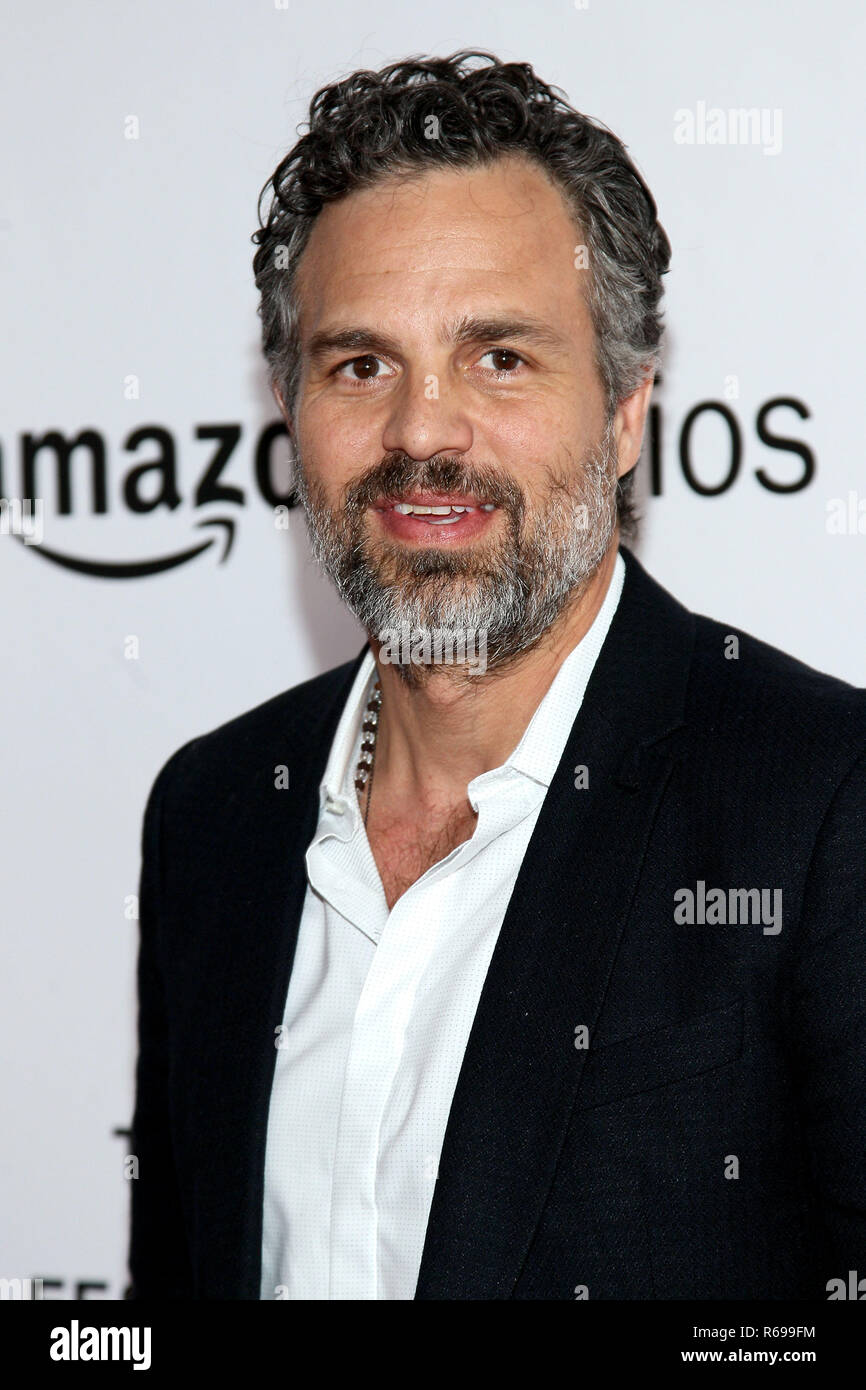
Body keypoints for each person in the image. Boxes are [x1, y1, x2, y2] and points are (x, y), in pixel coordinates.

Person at [128, 50, 866, 1300]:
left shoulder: (820, 804)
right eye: (360, 364)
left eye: (498, 359)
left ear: (627, 408)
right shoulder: (209, 814)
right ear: (288, 406)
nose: (421, 431)